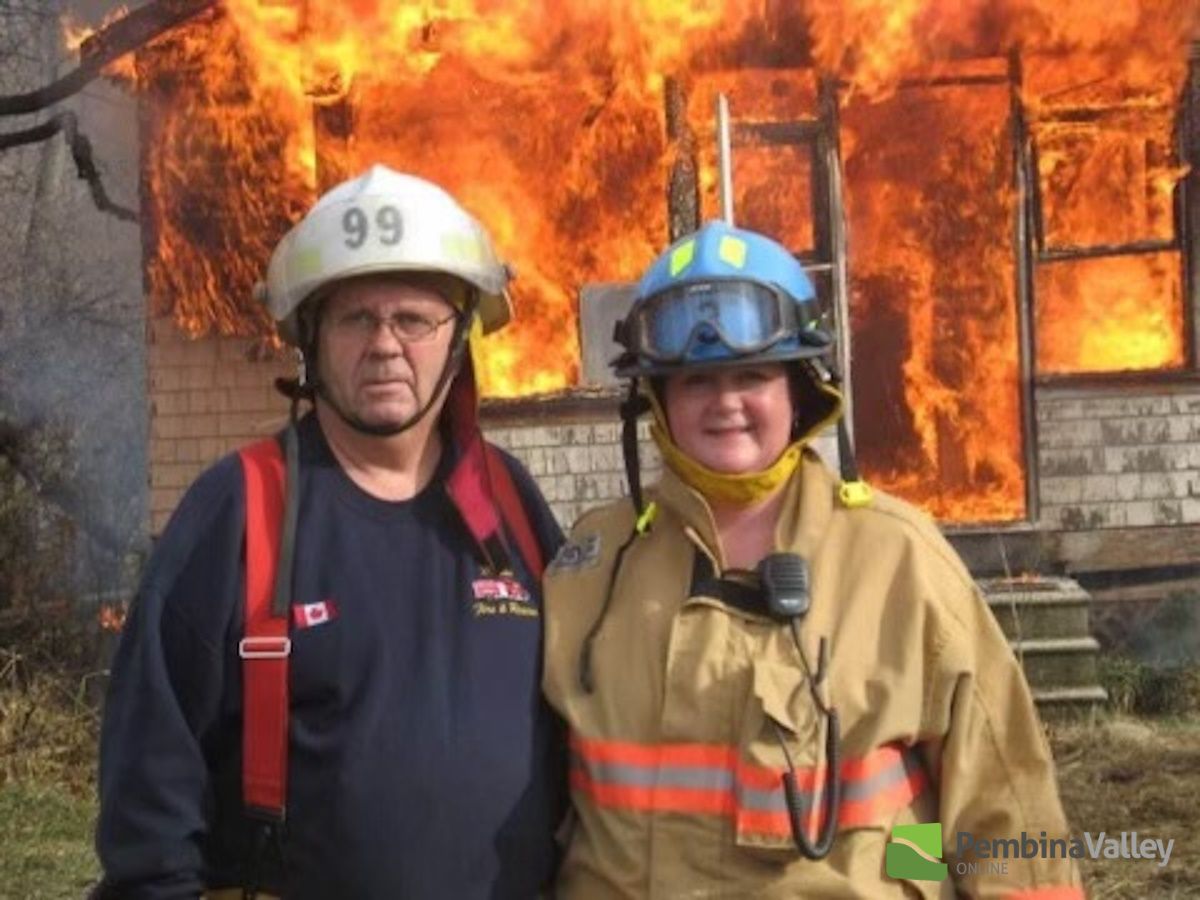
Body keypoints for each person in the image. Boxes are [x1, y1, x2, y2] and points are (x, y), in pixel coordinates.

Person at [541, 220, 1085, 898]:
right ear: (656, 398)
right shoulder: (592, 565)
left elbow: (999, 798)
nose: (727, 403)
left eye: (754, 375)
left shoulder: (896, 556)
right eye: (696, 381)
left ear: (799, 390)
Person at [95, 165, 565, 899]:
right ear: (310, 341)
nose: (384, 344)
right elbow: (150, 781)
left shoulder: (511, 505)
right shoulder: (240, 509)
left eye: (413, 319)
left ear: (459, 338)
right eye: (355, 319)